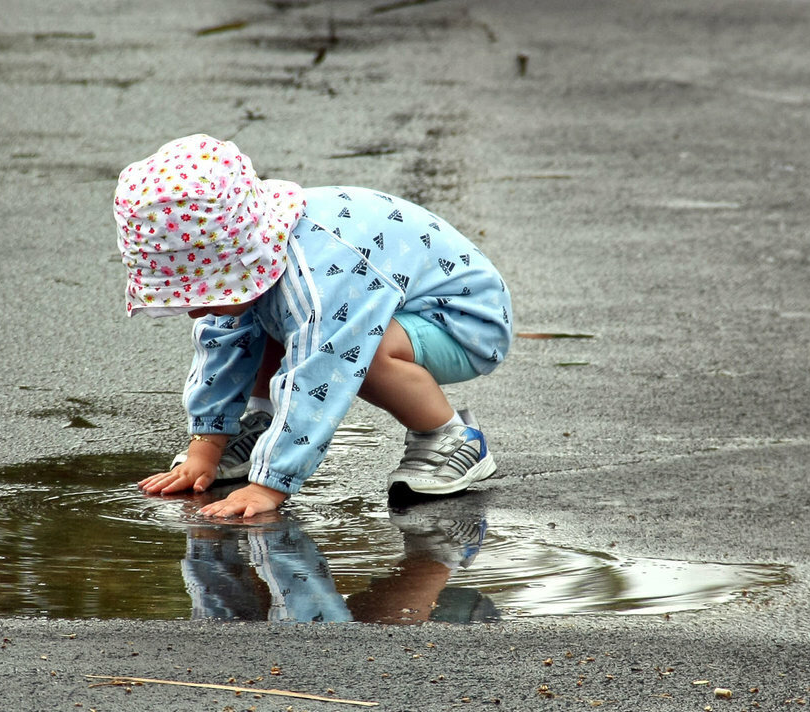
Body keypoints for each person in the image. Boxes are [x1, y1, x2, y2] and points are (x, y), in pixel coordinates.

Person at [114, 134, 512, 518]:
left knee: (361, 351)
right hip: (390, 308)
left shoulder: (319, 280)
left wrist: (270, 484)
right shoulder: (256, 248)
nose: (194, 313)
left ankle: (449, 437)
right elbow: (225, 342)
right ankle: (259, 425)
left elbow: (321, 373)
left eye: (201, 295)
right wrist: (206, 447)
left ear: (240, 260)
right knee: (245, 320)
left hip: (463, 322)